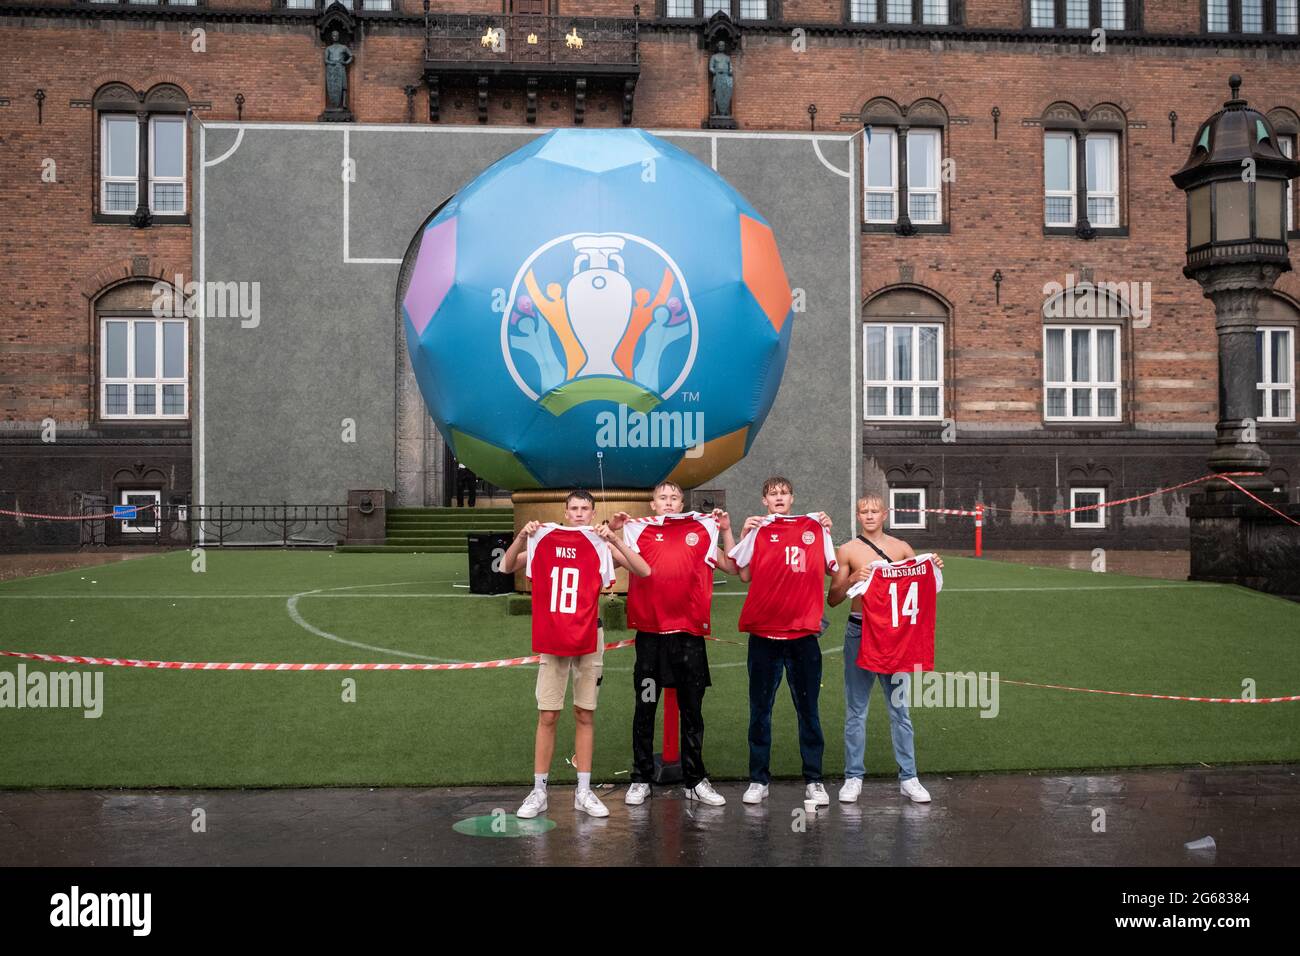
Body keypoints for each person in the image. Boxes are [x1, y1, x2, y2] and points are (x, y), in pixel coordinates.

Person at [500, 489, 651, 819]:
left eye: (585, 508)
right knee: (548, 714)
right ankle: (539, 791)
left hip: (588, 635)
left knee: (585, 713)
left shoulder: (600, 543)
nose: (580, 513)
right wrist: (523, 536)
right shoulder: (543, 538)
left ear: (592, 513)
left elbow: (643, 571)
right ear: (566, 512)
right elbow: (505, 565)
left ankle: (583, 790)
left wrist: (615, 537)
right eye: (575, 508)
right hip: (554, 636)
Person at [608, 481, 737, 807]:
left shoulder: (702, 530)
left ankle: (695, 779)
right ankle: (640, 778)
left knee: (692, 711)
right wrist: (609, 531)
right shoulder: (637, 532)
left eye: (673, 498)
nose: (668, 502)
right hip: (651, 638)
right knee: (645, 707)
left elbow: (734, 568)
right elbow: (613, 557)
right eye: (662, 498)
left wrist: (725, 530)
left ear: (682, 503)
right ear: (653, 504)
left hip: (689, 637)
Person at [827, 493, 943, 805]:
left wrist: (932, 567)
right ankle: (853, 777)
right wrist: (853, 576)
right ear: (857, 515)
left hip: (894, 638)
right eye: (863, 511)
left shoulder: (902, 548)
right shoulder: (848, 550)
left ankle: (909, 777)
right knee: (856, 710)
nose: (868, 515)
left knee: (900, 709)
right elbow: (834, 598)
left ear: (885, 514)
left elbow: (919, 587)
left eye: (874, 510)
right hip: (860, 631)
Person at [727, 476, 836, 808]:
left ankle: (814, 780)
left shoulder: (815, 529)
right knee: (760, 712)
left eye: (783, 493)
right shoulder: (758, 530)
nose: (778, 497)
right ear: (764, 501)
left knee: (808, 711)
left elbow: (834, 567)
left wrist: (827, 528)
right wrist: (739, 533)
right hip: (764, 637)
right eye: (772, 494)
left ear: (792, 498)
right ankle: (758, 779)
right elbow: (739, 569)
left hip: (803, 637)